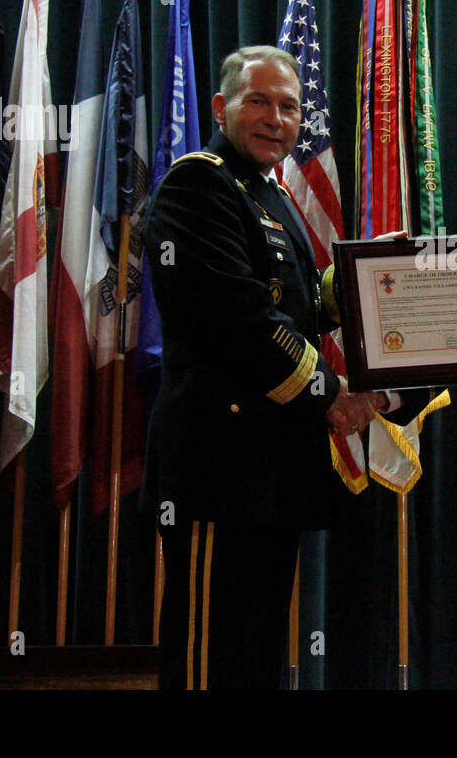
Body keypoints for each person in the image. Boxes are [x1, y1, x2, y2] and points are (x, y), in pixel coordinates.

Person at [143, 45, 385, 689]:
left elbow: (298, 306)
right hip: (216, 463)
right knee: (209, 657)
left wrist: (374, 279)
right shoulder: (200, 184)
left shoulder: (267, 197)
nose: (276, 118)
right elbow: (239, 320)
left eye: (289, 106)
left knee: (254, 655)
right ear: (221, 108)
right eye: (259, 101)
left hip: (272, 465)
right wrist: (332, 392)